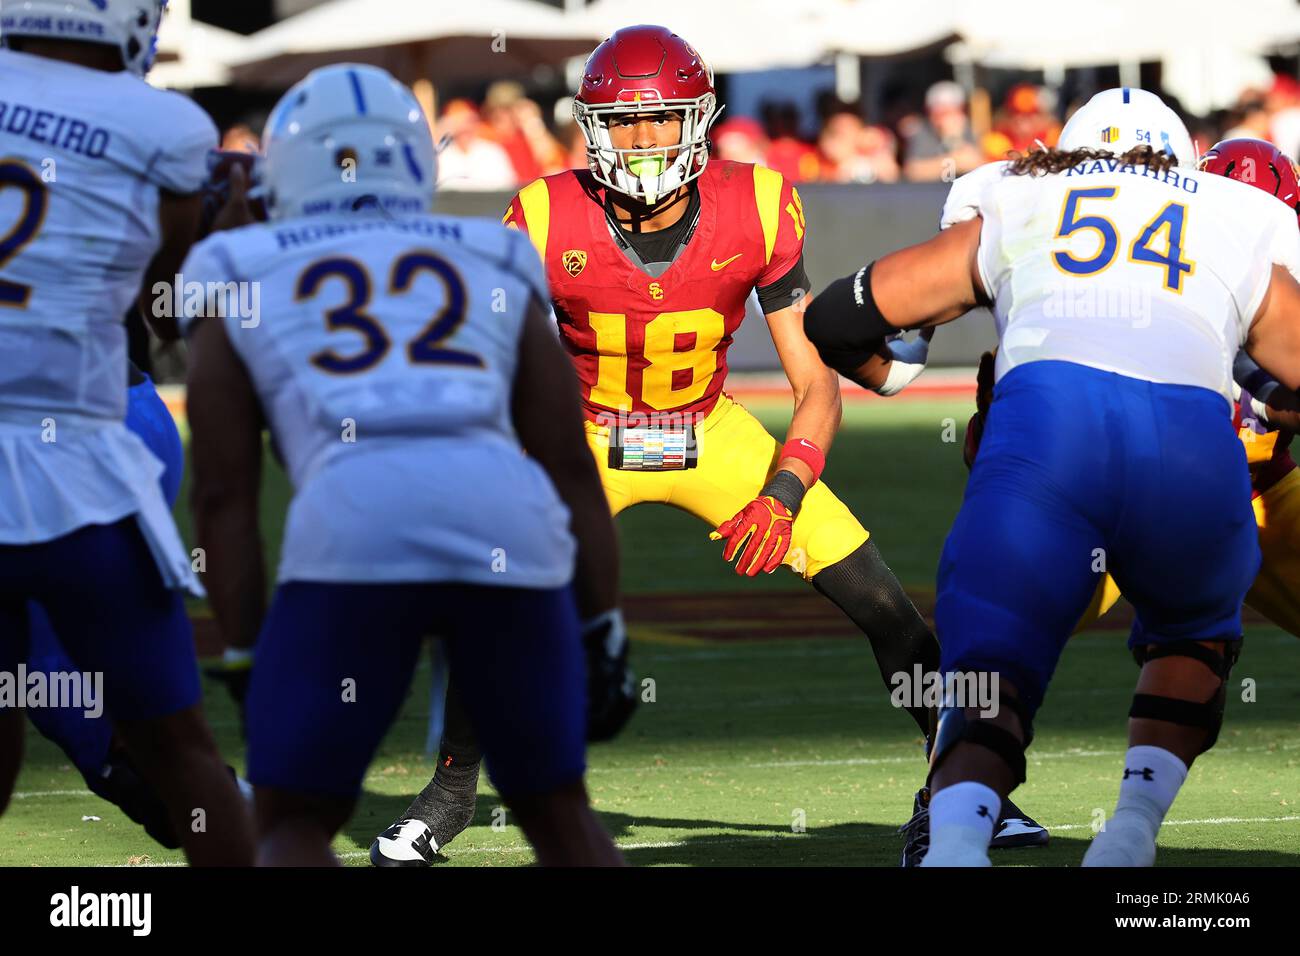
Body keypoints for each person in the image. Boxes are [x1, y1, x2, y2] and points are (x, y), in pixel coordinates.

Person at [369, 24, 1047, 869]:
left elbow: (815, 385)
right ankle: (451, 793)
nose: (644, 140)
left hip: (708, 428)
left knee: (882, 603)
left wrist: (787, 490)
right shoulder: (543, 213)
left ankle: (964, 785)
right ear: (590, 127)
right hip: (588, 433)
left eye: (661, 121)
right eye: (623, 123)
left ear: (698, 121)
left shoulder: (756, 204)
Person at [804, 88, 1300, 867]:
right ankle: (1131, 831)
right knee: (1192, 635)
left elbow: (836, 317)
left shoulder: (1017, 193)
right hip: (1192, 452)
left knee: (991, 659)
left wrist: (887, 371)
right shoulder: (1235, 215)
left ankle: (958, 841)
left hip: (1045, 436)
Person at [182, 63, 624, 866]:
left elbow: (221, 493)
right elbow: (566, 459)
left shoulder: (235, 265)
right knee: (559, 812)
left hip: (350, 540)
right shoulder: (496, 252)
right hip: (507, 536)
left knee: (291, 820)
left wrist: (245, 649)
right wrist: (599, 620)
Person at [0, 0, 252, 865]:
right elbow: (161, 307)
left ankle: (109, 759)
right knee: (176, 746)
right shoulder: (162, 122)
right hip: (87, 458)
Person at [902, 81, 984, 182]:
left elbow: (978, 165)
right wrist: (955, 160)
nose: (943, 120)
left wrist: (953, 140)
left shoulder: (970, 130)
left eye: (949, 112)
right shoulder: (922, 131)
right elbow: (913, 172)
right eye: (938, 113)